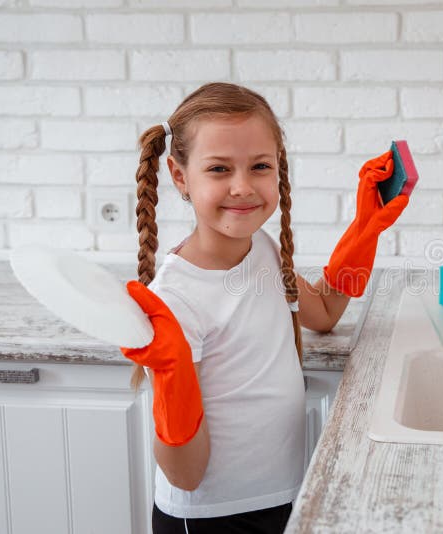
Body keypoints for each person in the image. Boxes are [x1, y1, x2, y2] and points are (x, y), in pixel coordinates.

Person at [117, 82, 409, 534]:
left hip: (282, 496)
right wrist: (172, 370)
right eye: (218, 168)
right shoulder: (175, 299)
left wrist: (365, 227)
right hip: (212, 517)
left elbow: (326, 312)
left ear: (278, 170)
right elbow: (185, 474)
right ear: (180, 176)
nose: (242, 187)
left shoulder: (262, 250)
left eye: (259, 166)